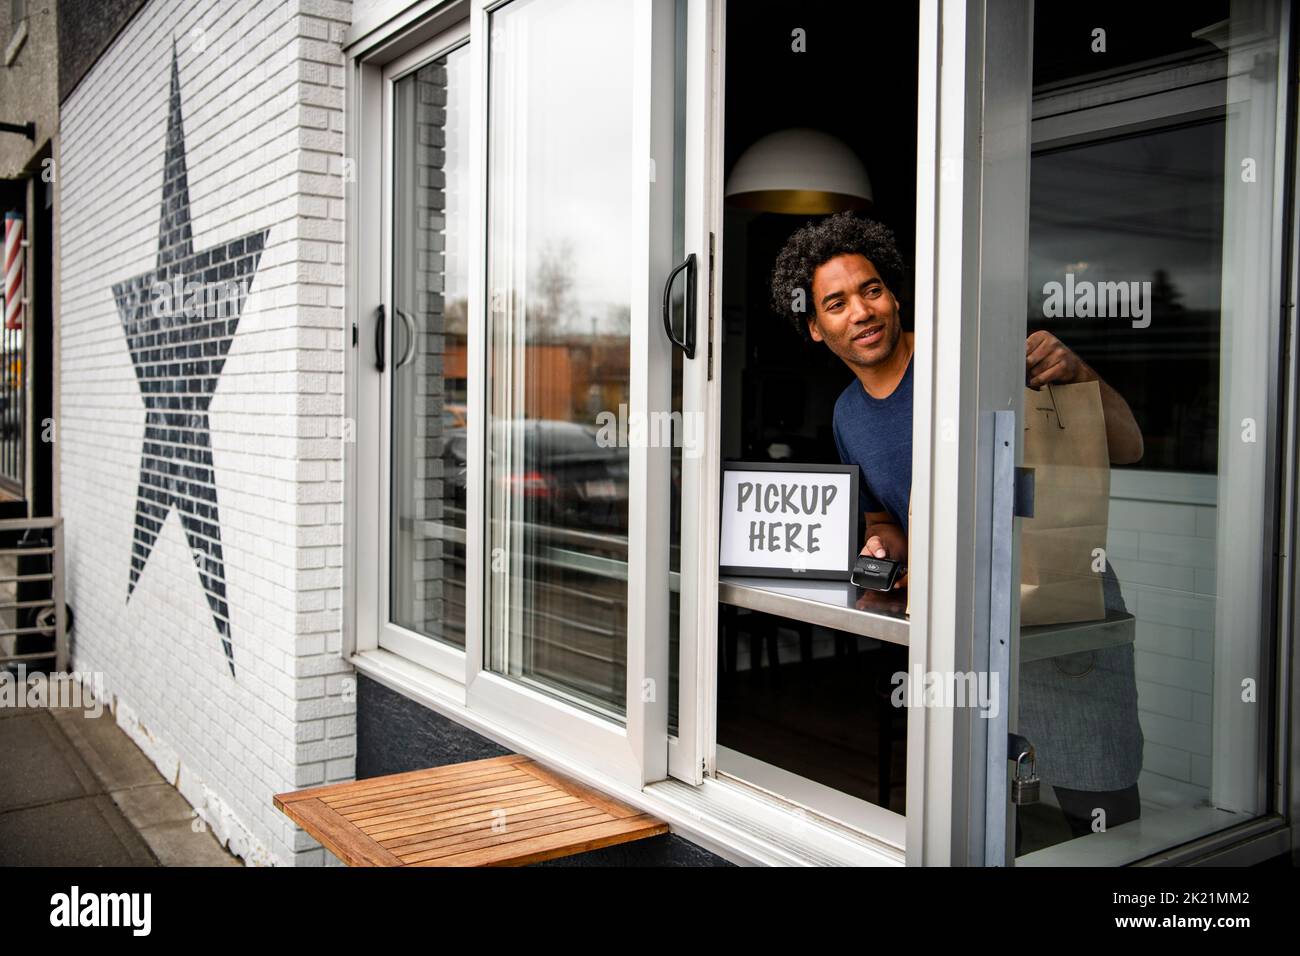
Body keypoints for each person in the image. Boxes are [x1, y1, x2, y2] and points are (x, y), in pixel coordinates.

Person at [769, 212, 1145, 848]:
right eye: (836, 303)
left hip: (1059, 608)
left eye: (872, 290)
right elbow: (886, 518)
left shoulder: (971, 355)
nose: (861, 311)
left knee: (1100, 806)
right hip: (958, 634)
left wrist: (1080, 374)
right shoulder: (846, 416)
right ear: (815, 327)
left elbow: (1129, 445)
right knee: (994, 823)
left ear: (892, 294)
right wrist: (884, 544)